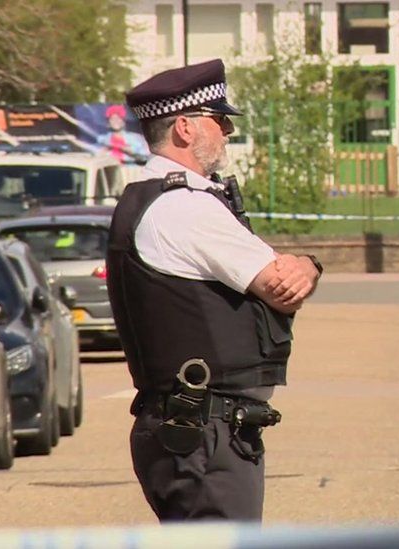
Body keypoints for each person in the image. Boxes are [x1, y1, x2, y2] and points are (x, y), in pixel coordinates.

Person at [106, 58, 323, 522]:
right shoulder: (185, 208)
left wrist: (306, 265)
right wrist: (308, 267)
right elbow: (279, 286)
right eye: (218, 119)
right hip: (205, 434)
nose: (227, 131)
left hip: (190, 428)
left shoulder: (150, 197)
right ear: (184, 127)